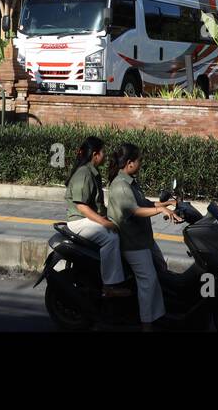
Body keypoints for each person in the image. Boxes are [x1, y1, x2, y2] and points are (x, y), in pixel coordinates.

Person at [105, 143, 181, 330]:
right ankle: (147, 323)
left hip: (144, 239)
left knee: (161, 269)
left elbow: (145, 202)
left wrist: (167, 202)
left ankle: (161, 313)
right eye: (139, 160)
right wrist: (161, 209)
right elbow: (137, 210)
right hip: (132, 242)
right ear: (130, 163)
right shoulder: (121, 186)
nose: (141, 163)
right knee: (148, 280)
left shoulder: (131, 181)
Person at [63, 136, 130, 297]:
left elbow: (98, 205)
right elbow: (82, 206)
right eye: (103, 152)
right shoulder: (84, 173)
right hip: (79, 221)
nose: (105, 156)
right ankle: (110, 286)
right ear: (95, 154)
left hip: (86, 219)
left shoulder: (92, 172)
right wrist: (104, 223)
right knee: (111, 238)